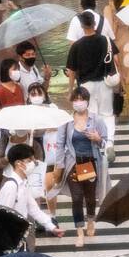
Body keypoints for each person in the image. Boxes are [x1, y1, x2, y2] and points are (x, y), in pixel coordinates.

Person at [53, 87, 108, 247]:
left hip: (91, 162)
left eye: (81, 99)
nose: (78, 103)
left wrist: (97, 139)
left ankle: (90, 219)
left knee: (90, 197)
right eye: (75, 99)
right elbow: (59, 144)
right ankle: (79, 231)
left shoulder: (96, 120)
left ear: (87, 101)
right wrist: (60, 165)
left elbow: (105, 143)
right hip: (73, 163)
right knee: (76, 197)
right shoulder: (66, 122)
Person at [64, 12, 116, 142]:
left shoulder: (76, 45)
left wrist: (71, 90)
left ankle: (95, 142)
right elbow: (114, 60)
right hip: (105, 83)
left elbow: (72, 71)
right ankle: (109, 142)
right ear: (95, 23)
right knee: (107, 115)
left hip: (86, 86)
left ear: (82, 26)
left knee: (91, 115)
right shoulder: (106, 40)